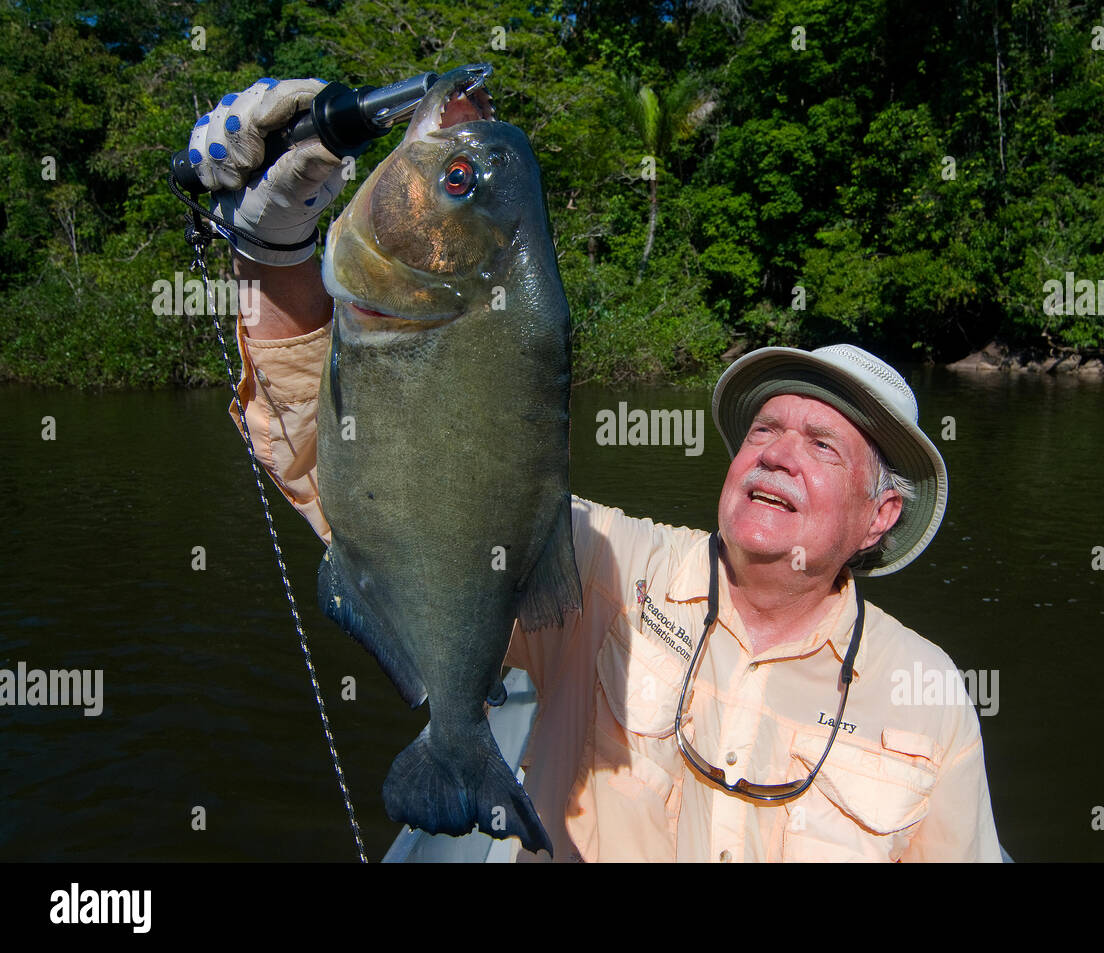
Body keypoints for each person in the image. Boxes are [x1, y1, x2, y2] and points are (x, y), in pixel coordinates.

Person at [193, 79, 1003, 862]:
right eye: (765, 427)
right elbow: (353, 470)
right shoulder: (613, 575)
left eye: (824, 445)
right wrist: (273, 246)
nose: (778, 452)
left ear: (880, 515)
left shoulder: (926, 695)